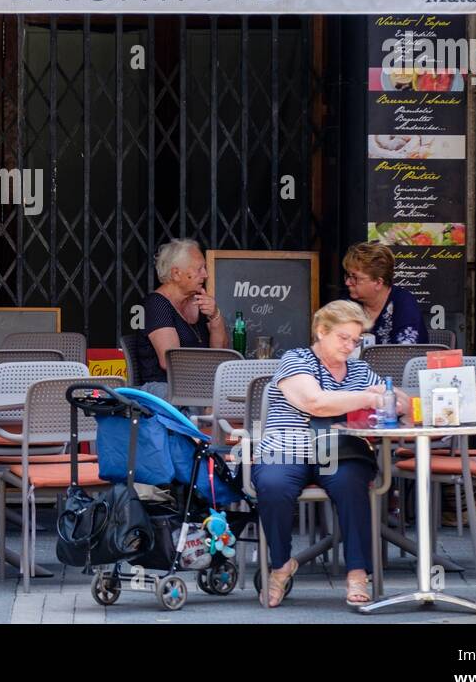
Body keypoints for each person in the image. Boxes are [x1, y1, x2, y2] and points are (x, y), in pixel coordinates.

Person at [253, 300, 410, 608]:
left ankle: (356, 572)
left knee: (351, 482)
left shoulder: (360, 369)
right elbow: (316, 403)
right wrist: (370, 398)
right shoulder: (295, 359)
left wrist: (394, 398)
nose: (350, 346)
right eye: (344, 338)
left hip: (340, 450)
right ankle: (281, 565)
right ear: (321, 332)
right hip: (287, 446)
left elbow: (401, 401)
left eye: (355, 340)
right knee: (273, 484)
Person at [132, 239, 227, 397]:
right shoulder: (155, 305)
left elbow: (222, 353)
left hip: (200, 389)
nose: (206, 274)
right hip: (168, 394)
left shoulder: (199, 300)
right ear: (176, 274)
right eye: (199, 269)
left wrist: (215, 315)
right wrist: (211, 371)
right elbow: (170, 362)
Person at [342, 242, 429, 345]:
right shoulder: (347, 303)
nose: (347, 282)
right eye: (348, 276)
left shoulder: (404, 303)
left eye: (354, 278)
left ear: (378, 283)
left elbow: (405, 352)